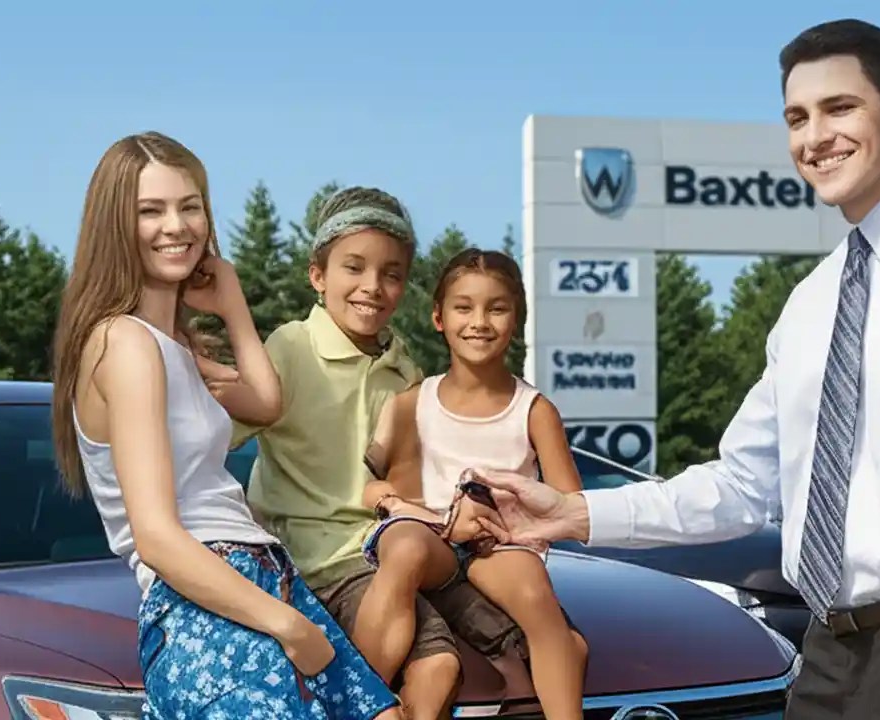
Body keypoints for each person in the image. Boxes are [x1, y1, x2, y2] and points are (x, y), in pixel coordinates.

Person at [473, 19, 880, 720]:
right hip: (827, 654)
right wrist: (577, 513)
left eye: (840, 108)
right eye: (797, 118)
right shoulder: (810, 304)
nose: (815, 138)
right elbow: (743, 485)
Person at [50, 132, 401, 719]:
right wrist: (286, 624)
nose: (176, 225)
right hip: (207, 605)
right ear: (114, 223)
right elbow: (157, 538)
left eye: (190, 206)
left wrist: (233, 303)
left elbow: (266, 404)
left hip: (262, 577)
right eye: (150, 210)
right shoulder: (125, 345)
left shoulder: (171, 347)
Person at [212, 188, 530, 719]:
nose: (372, 287)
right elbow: (208, 438)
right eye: (353, 268)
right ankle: (351, 705)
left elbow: (412, 479)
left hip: (395, 550)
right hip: (324, 562)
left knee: (485, 654)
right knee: (436, 656)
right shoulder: (289, 349)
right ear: (318, 275)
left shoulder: (403, 369)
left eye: (392, 274)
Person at [358, 248, 589, 720]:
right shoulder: (410, 404)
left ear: (516, 320)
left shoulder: (535, 410)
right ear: (439, 318)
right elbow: (369, 488)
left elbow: (571, 507)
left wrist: (518, 525)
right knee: (404, 547)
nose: (479, 321)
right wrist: (404, 506)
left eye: (497, 308)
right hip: (434, 537)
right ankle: (356, 698)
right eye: (464, 307)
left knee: (534, 597)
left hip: (501, 547)